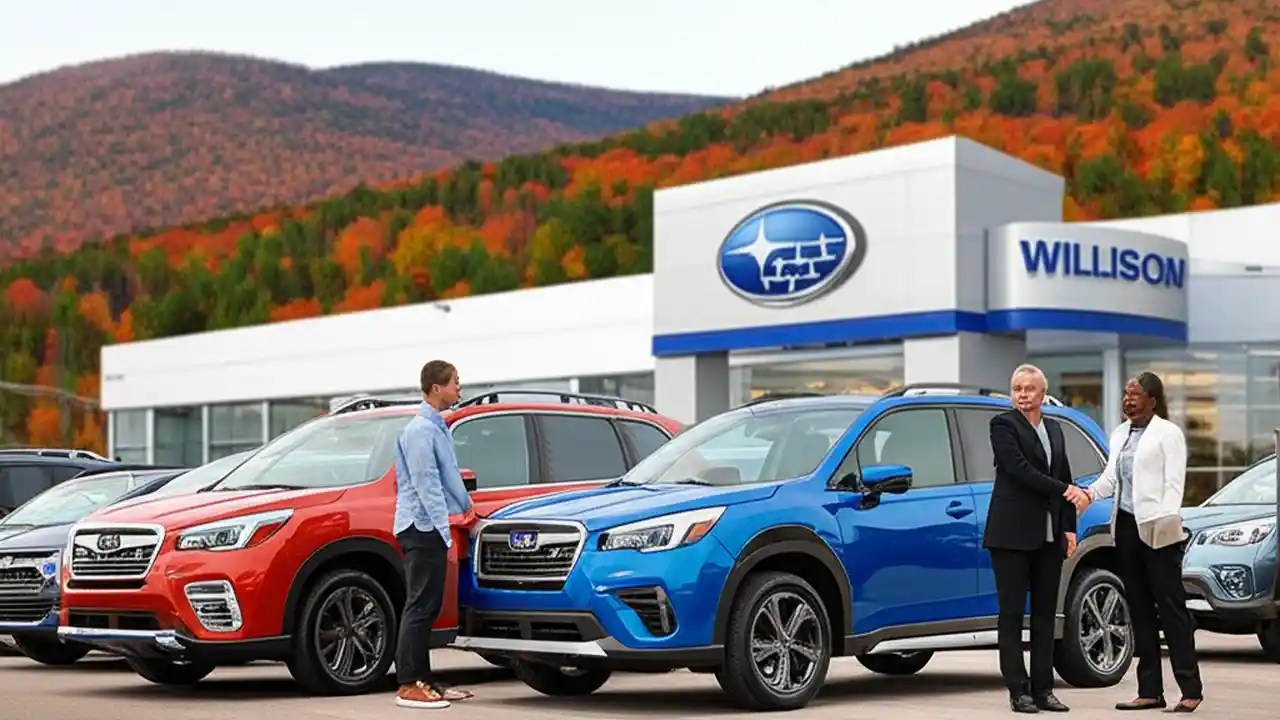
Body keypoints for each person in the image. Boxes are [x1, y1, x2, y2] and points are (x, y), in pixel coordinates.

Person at [1082, 372, 1203, 713]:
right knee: (1139, 608)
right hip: (1126, 526)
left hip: (1159, 529)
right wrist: (1088, 494)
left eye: (1135, 394)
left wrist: (1161, 522)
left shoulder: (1168, 433)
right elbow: (1110, 478)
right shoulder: (1120, 434)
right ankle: (1150, 690)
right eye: (1125, 393)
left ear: (1152, 399)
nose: (1128, 400)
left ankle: (1190, 688)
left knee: (1171, 608)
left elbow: (1174, 484)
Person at [984, 363, 1087, 714]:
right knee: (1011, 616)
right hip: (1010, 535)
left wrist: (1069, 527)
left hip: (1048, 539)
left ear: (1043, 394)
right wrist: (1067, 490)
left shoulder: (1056, 430)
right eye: (1017, 388)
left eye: (1029, 389)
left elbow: (1065, 474)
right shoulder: (1002, 426)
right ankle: (1018, 690)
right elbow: (1020, 471)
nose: (1023, 395)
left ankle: (1044, 689)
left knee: (1045, 616)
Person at [392, 359, 476, 710]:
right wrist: (445, 529)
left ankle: (425, 680)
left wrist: (468, 508)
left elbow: (450, 476)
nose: (460, 387)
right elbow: (426, 483)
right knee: (419, 605)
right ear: (437, 388)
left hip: (431, 526)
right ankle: (409, 683)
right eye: (456, 382)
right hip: (420, 527)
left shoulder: (437, 427)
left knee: (428, 606)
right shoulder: (419, 432)